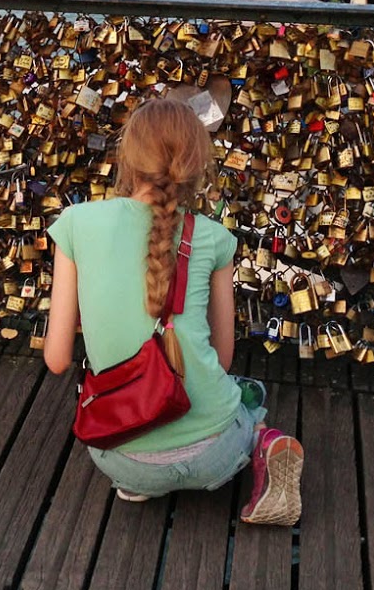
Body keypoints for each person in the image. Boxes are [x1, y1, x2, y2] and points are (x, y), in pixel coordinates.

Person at [43, 99, 303, 524]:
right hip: (216, 455)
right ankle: (263, 439)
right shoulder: (215, 238)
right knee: (247, 391)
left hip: (120, 455)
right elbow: (221, 359)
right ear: (197, 164)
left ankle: (142, 486)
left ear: (127, 155)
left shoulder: (76, 222)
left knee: (131, 452)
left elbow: (56, 360)